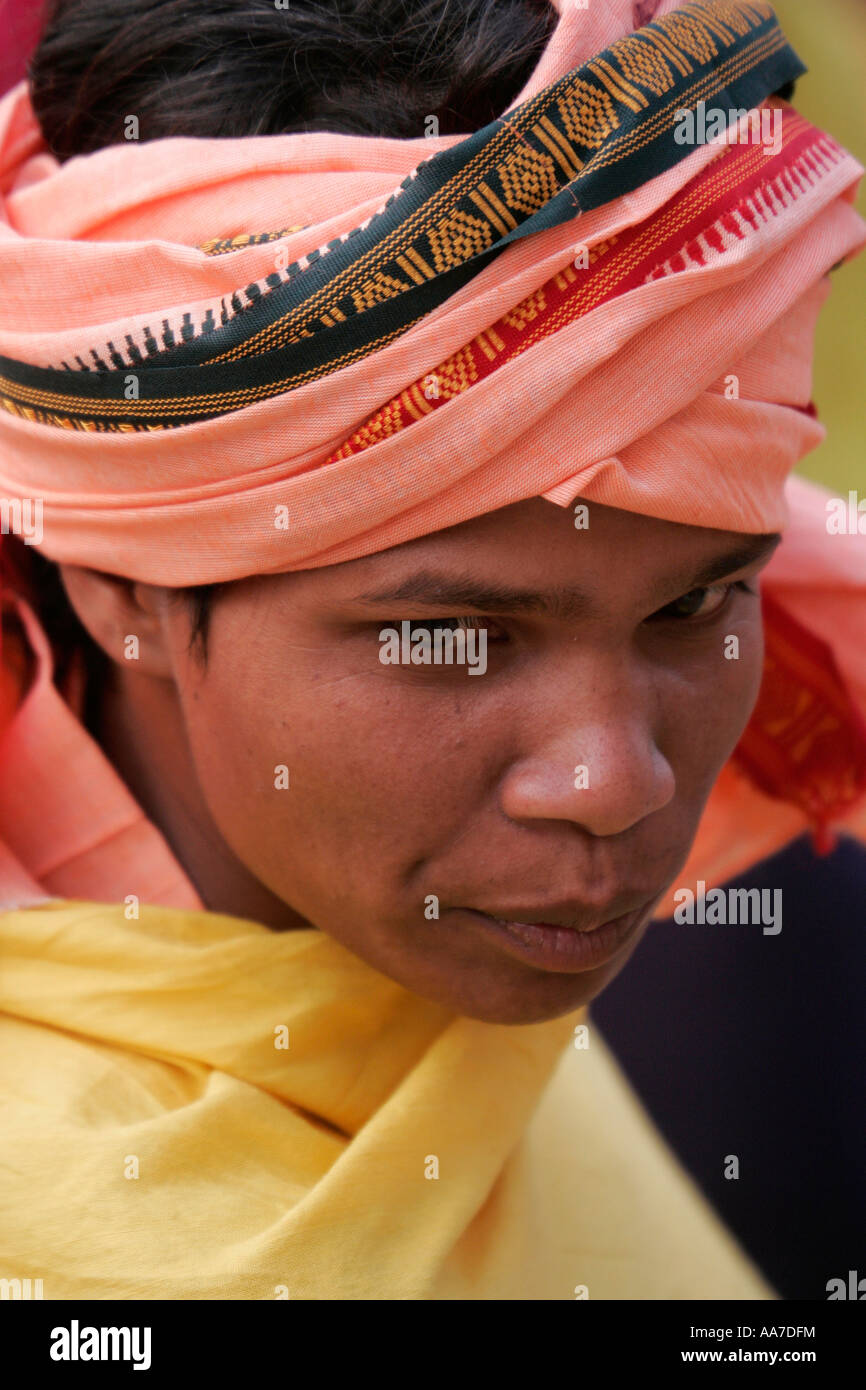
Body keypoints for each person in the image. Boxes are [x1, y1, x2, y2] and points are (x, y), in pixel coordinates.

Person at [0, 0, 864, 1300]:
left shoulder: (437, 988)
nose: (611, 783)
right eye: (451, 635)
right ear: (123, 589)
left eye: (689, 607)